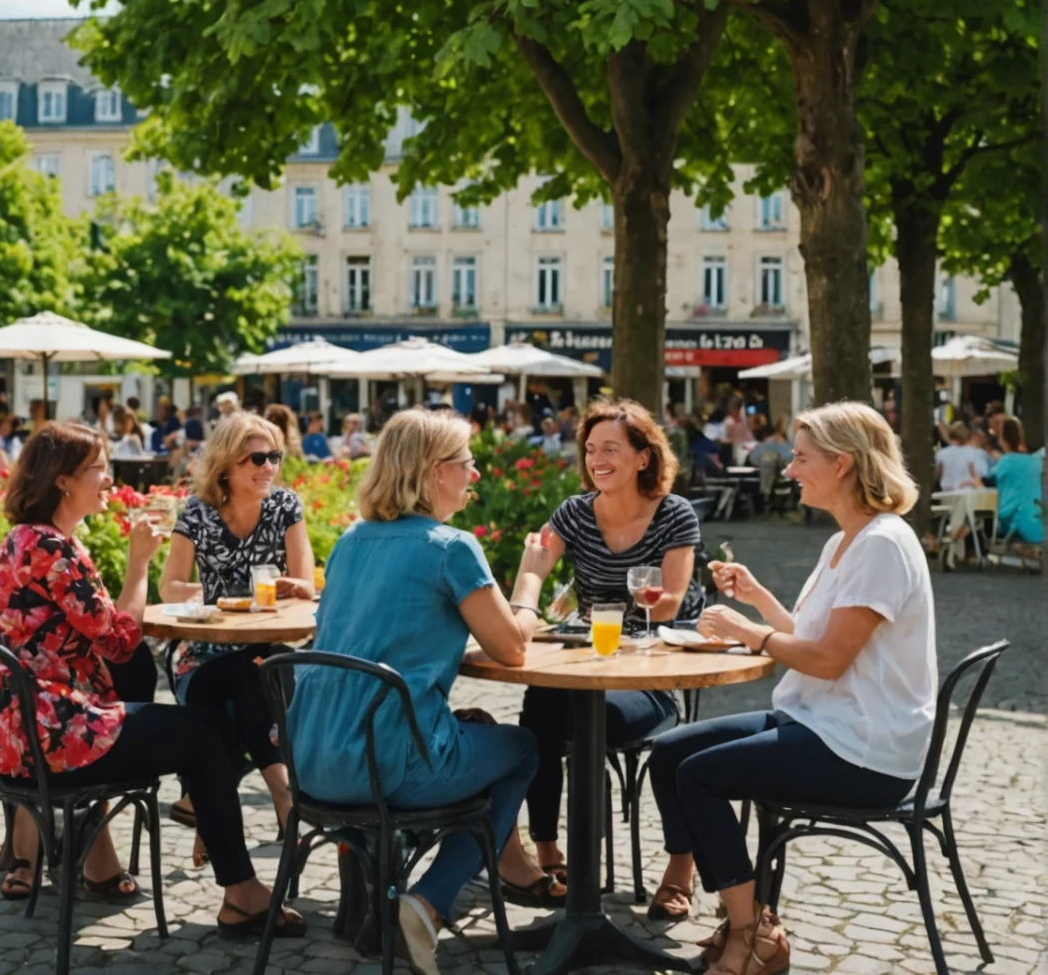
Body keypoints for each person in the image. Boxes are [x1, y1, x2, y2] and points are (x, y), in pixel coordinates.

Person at [646, 403, 936, 975]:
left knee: (697, 775)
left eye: (801, 458)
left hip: (864, 748)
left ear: (844, 464)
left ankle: (752, 932)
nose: (789, 469)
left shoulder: (881, 544)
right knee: (670, 751)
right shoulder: (845, 543)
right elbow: (808, 638)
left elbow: (826, 660)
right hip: (826, 722)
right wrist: (755, 598)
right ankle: (744, 913)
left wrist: (748, 632)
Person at [0, 422, 304, 935]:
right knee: (204, 736)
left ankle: (125, 860)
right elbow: (120, 642)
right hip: (55, 734)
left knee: (202, 724)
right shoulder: (55, 551)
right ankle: (240, 892)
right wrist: (138, 567)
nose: (108, 481)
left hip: (13, 732)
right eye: (99, 470)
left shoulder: (19, 541)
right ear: (64, 481)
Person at [287, 409, 559, 967]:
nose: (476, 475)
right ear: (435, 472)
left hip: (314, 759)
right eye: (467, 463)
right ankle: (429, 902)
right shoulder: (450, 547)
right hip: (391, 764)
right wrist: (531, 578)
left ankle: (406, 900)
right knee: (523, 749)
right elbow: (512, 647)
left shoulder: (350, 540)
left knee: (476, 728)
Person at [509, 399, 703, 902]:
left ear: (643, 457)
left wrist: (602, 616)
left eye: (611, 448)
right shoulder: (574, 513)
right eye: (591, 448)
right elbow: (535, 566)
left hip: (649, 679)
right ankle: (549, 850)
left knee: (575, 712)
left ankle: (680, 866)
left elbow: (671, 604)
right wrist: (525, 595)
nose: (597, 458)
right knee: (541, 704)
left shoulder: (673, 514)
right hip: (588, 668)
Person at [157, 413, 317, 844]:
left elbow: (307, 581)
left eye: (274, 457)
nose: (268, 467)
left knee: (256, 669)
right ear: (227, 464)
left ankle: (201, 795)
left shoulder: (285, 507)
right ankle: (285, 801)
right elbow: (169, 584)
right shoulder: (197, 513)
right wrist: (213, 596)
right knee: (253, 675)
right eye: (257, 458)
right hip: (204, 656)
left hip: (267, 650)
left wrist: (292, 586)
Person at [986, 417, 1043, 544]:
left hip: (1018, 523)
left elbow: (989, 479)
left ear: (1002, 440)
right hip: (1040, 521)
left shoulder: (1005, 462)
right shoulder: (1034, 461)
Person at [934, 423, 985, 491]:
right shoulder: (971, 452)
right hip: (966, 489)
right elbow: (974, 473)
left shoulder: (941, 454)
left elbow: (938, 474)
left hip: (947, 490)